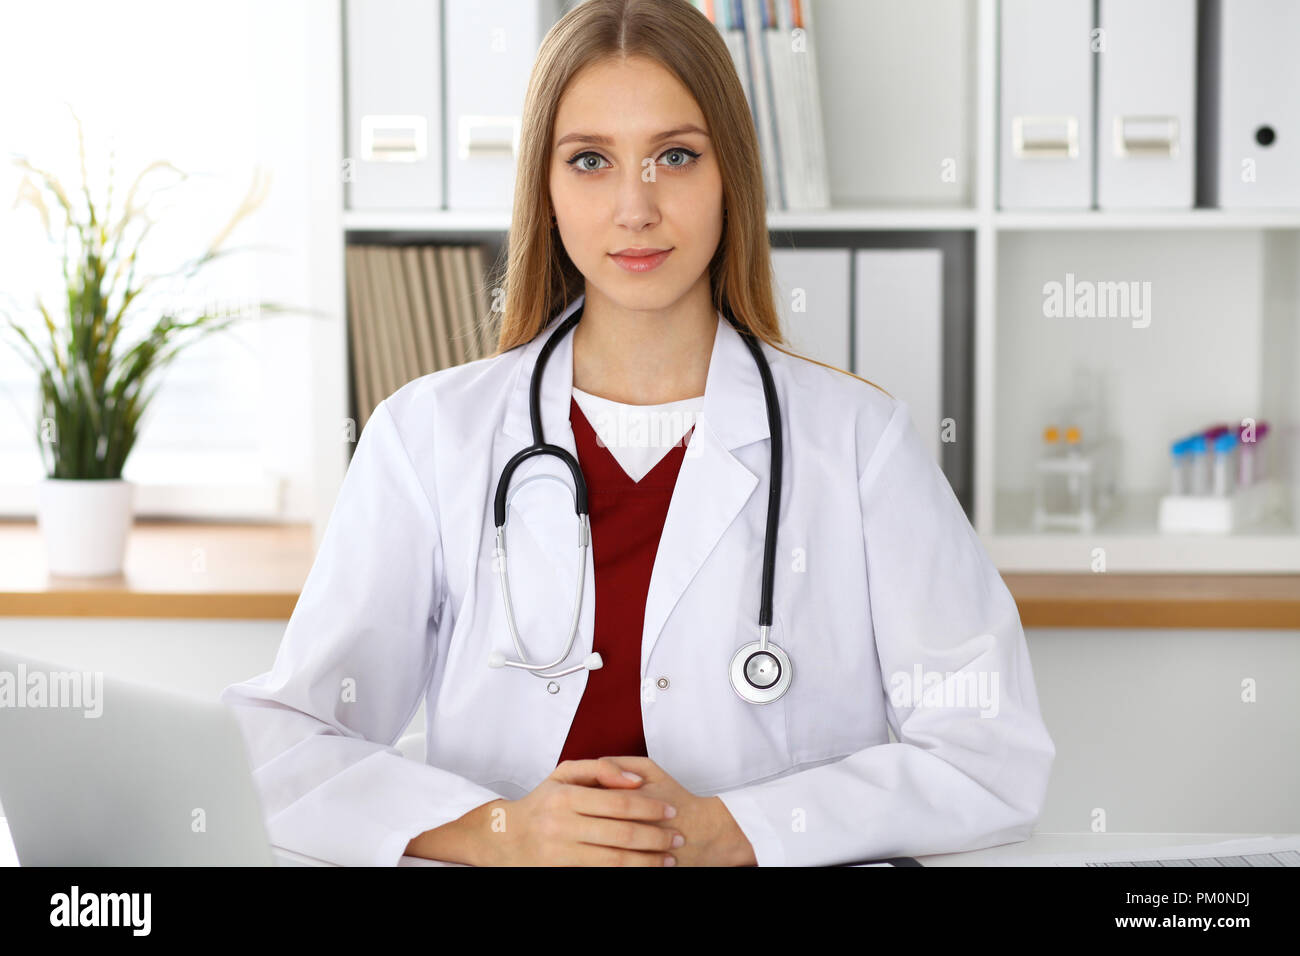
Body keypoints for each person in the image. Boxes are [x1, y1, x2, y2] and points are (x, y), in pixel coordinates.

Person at [221, 0, 1055, 867]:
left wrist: (738, 829)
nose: (635, 207)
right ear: (544, 190)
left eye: (676, 156)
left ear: (731, 175)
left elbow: (987, 754)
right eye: (590, 160)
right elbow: (284, 747)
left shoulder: (857, 441)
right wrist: (500, 832)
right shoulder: (428, 437)